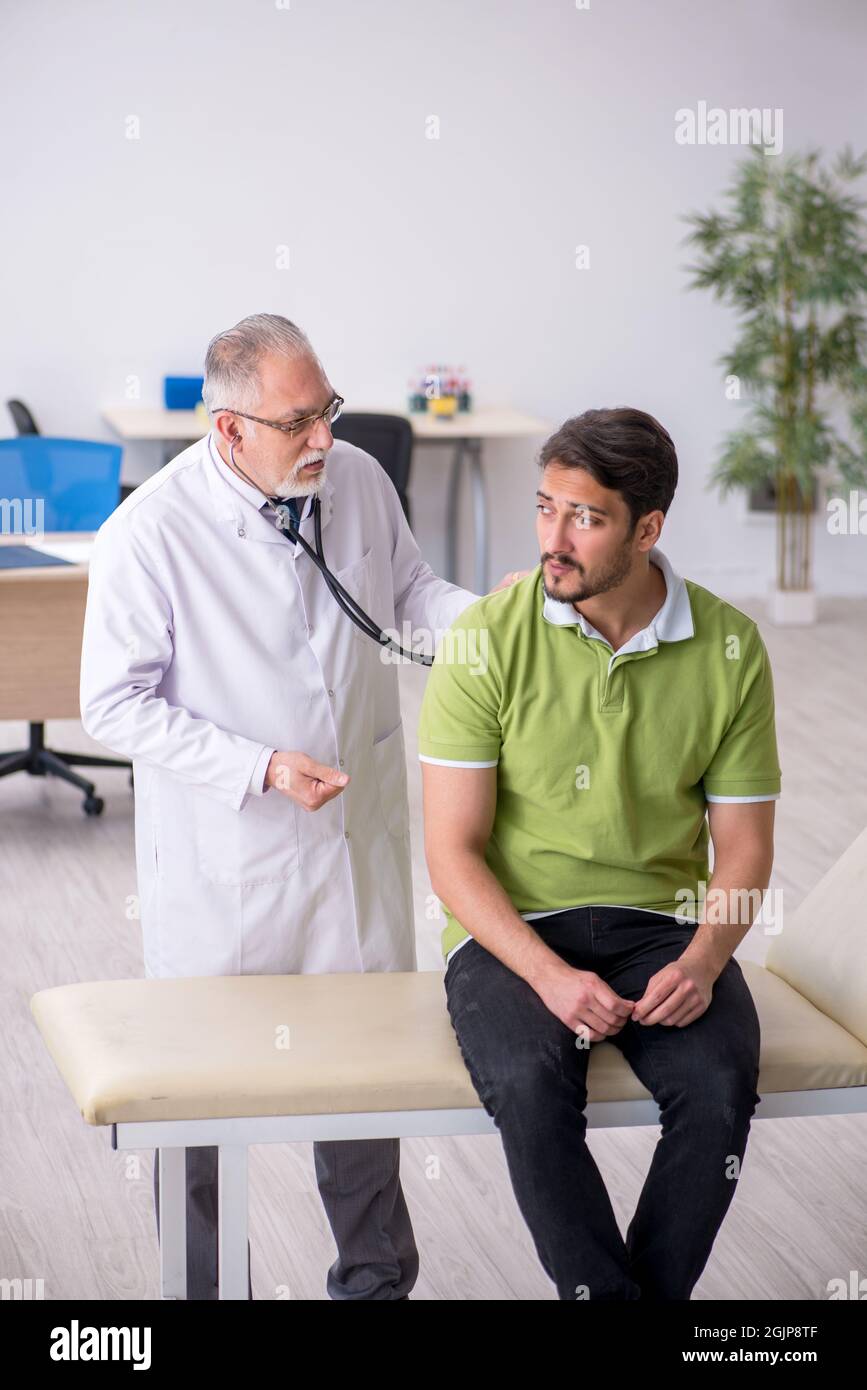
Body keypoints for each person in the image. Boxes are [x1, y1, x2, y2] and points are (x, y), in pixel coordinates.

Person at [79, 312, 526, 1300]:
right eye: (298, 421)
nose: (324, 436)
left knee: (358, 1076)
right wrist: (256, 766)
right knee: (195, 1099)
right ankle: (198, 1293)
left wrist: (491, 620)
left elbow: (407, 592)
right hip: (227, 858)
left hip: (350, 843)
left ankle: (374, 1283)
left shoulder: (354, 477)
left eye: (328, 409)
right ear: (228, 428)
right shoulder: (148, 532)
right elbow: (113, 701)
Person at [418, 406, 780, 1300]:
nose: (554, 538)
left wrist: (703, 960)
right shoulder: (484, 639)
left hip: (662, 925)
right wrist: (545, 976)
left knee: (720, 1087)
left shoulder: (729, 649)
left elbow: (743, 850)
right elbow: (452, 852)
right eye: (545, 509)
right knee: (532, 1088)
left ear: (647, 529)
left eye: (584, 517)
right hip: (508, 927)